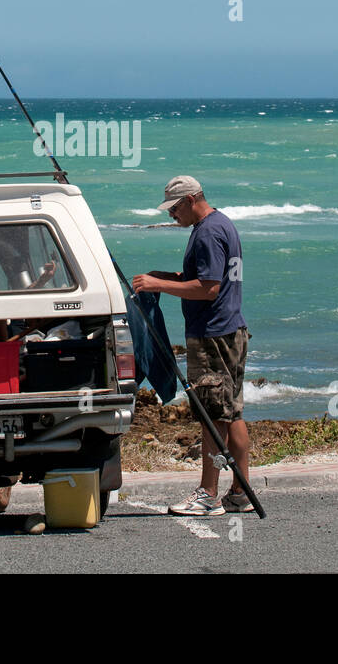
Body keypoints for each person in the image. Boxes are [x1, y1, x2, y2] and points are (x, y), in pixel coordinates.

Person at [132, 175, 251, 516]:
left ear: (190, 200)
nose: (172, 216)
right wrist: (165, 278)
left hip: (213, 335)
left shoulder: (208, 233)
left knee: (212, 417)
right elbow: (206, 278)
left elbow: (209, 288)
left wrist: (159, 284)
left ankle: (208, 493)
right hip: (232, 330)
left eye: (174, 209)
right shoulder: (222, 224)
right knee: (232, 412)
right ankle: (240, 491)